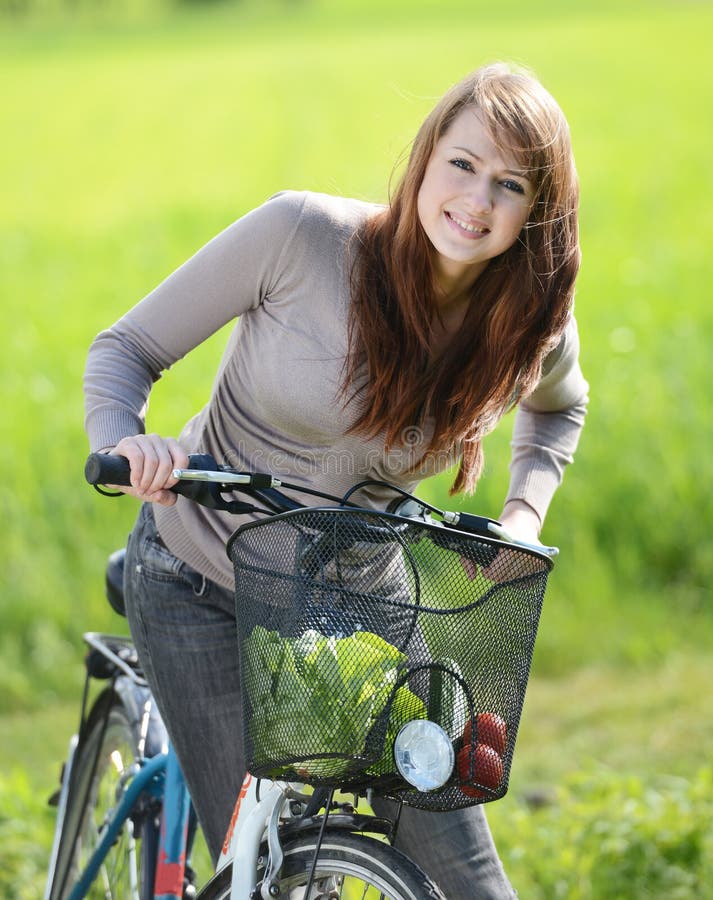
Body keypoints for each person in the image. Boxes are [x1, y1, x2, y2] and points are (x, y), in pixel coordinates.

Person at [84, 62, 588, 898]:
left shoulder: (524, 322)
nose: (477, 200)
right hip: (199, 576)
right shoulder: (301, 237)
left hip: (362, 598)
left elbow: (558, 408)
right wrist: (129, 444)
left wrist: (523, 517)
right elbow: (124, 349)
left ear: (536, 210)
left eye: (509, 184)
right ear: (425, 160)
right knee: (266, 870)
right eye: (461, 165)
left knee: (466, 873)